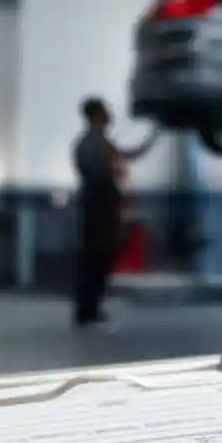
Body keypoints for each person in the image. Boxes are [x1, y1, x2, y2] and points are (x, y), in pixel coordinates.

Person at [72, 97, 158, 328]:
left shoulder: (99, 143)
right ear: (97, 115)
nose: (110, 115)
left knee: (100, 259)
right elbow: (101, 172)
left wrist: (152, 137)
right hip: (98, 208)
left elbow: (127, 155)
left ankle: (91, 307)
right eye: (105, 111)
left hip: (103, 207)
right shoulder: (92, 145)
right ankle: (86, 309)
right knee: (95, 259)